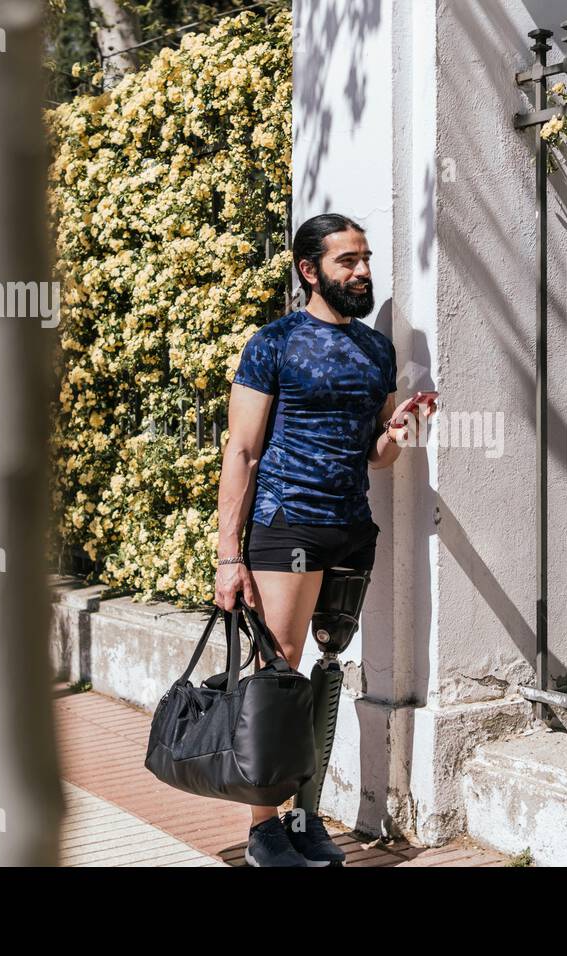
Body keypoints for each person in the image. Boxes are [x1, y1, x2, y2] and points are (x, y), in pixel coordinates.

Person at [214, 213, 437, 867]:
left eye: (365, 258)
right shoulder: (273, 344)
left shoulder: (375, 351)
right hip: (288, 527)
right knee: (277, 674)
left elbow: (375, 456)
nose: (363, 270)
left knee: (326, 673)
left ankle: (306, 815)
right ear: (310, 270)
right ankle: (264, 828)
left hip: (351, 530)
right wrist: (230, 554)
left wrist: (396, 431)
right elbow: (243, 451)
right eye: (348, 261)